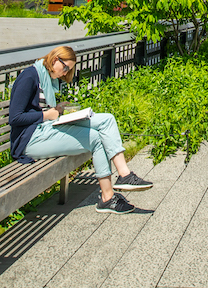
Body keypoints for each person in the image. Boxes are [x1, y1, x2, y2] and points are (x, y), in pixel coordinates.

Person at [8, 45, 152, 215]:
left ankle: (124, 174)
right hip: (30, 139)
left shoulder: (46, 77)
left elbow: (40, 110)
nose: (64, 73)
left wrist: (58, 109)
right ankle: (107, 197)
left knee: (107, 119)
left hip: (46, 129)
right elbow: (15, 118)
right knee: (95, 138)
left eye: (68, 69)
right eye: (65, 68)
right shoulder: (29, 76)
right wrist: (47, 115)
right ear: (55, 60)